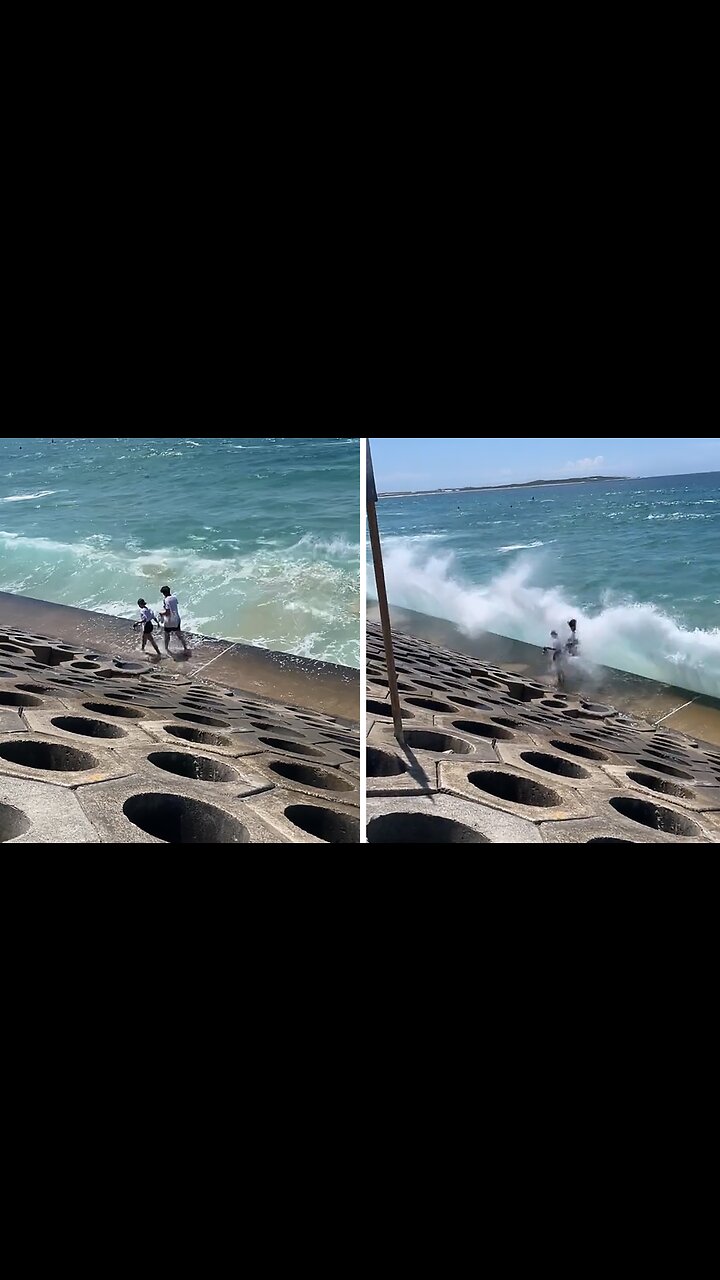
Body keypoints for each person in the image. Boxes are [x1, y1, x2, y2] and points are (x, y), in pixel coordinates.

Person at [159, 586, 189, 655]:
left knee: (167, 635)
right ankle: (185, 647)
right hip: (176, 619)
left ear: (164, 593)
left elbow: (168, 612)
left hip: (169, 621)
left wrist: (161, 614)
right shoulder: (174, 598)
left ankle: (166, 648)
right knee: (179, 635)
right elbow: (174, 607)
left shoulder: (166, 600)